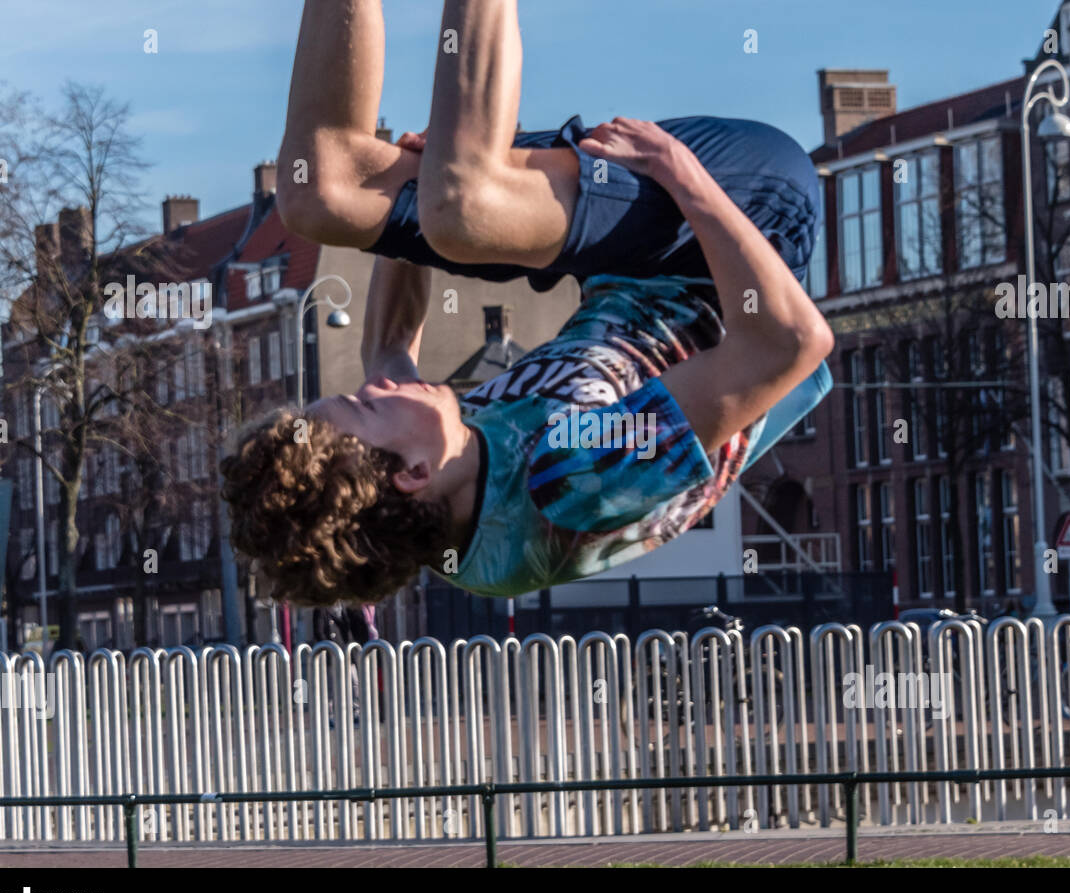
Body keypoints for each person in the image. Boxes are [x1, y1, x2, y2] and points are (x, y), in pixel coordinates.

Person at [220, 0, 835, 603]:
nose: (377, 384)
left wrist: (399, 212)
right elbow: (789, 344)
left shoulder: (420, 492)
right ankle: (467, 181)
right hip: (741, 226)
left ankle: (456, 180)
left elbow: (387, 349)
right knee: (461, 210)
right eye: (367, 405)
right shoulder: (578, 477)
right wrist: (684, 175)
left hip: (619, 261)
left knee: (321, 193)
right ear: (412, 475)